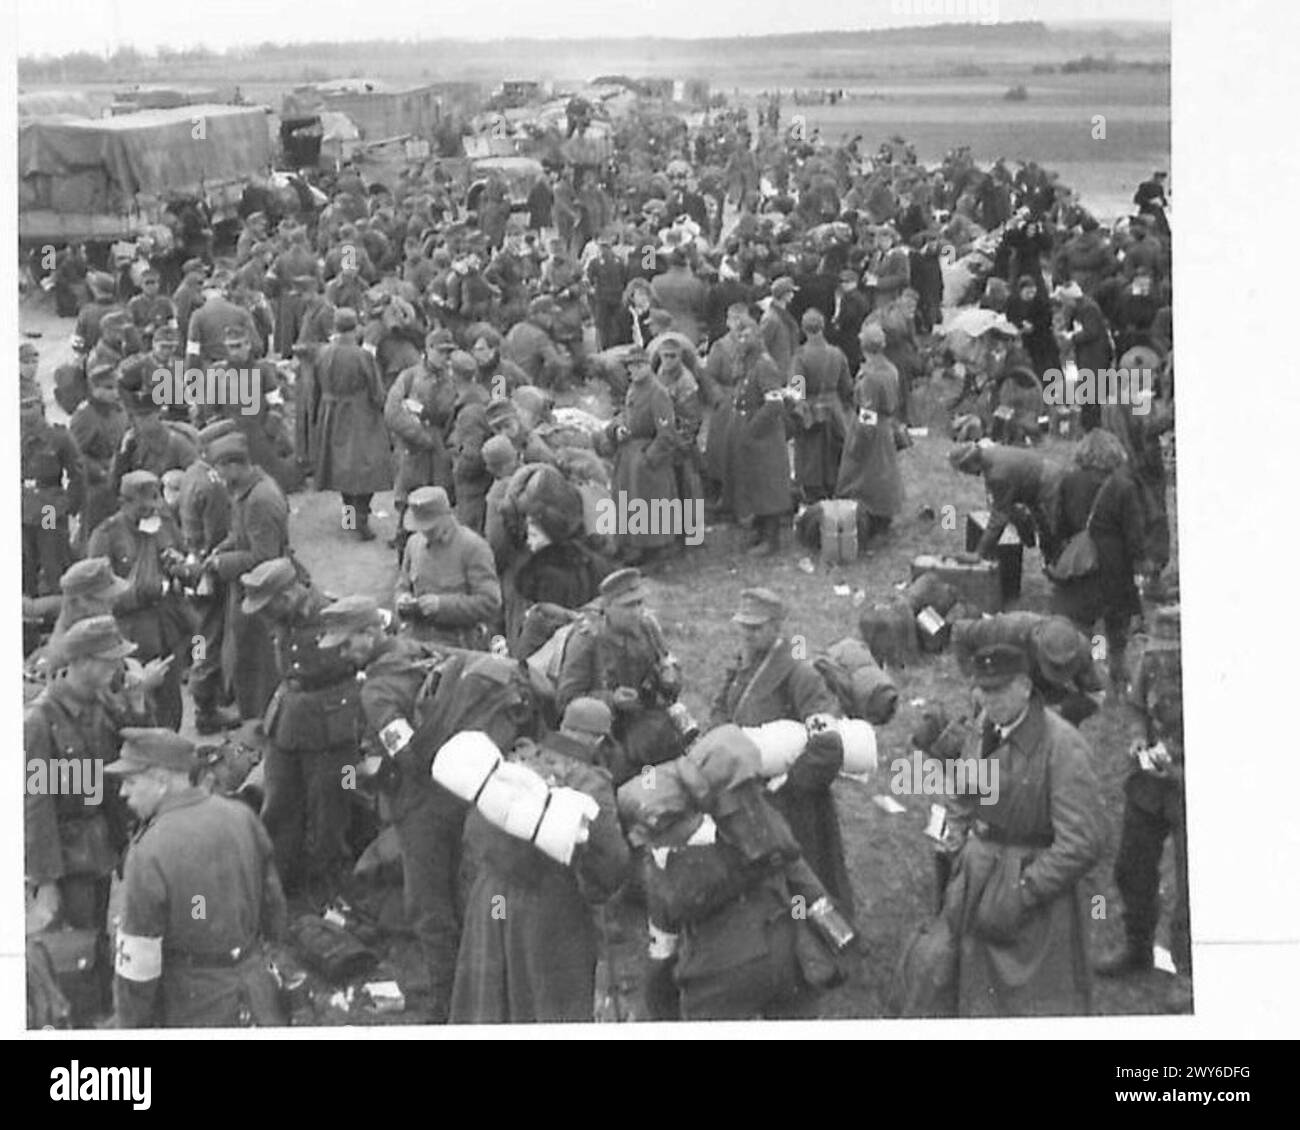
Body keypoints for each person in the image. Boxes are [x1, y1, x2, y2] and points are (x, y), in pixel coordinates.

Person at [937, 644, 1106, 1016]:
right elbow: (967, 786)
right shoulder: (985, 726)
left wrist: (1024, 891)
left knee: (1033, 1003)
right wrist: (956, 832)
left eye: (998, 688)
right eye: (982, 687)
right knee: (977, 993)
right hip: (979, 878)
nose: (988, 698)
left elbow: (1082, 843)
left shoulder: (1063, 745)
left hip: (1035, 900)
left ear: (1025, 687)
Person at [449, 698, 631, 1023]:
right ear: (600, 740)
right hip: (548, 905)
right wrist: (596, 891)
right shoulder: (591, 782)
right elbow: (611, 863)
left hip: (492, 898)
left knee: (490, 994)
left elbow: (473, 829)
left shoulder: (517, 760)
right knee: (549, 1001)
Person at [25, 617, 164, 1021]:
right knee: (78, 945)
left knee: (99, 932)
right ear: (81, 661)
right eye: (108, 661)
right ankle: (82, 1018)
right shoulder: (41, 722)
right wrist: (45, 882)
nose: (115, 670)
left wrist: (139, 705)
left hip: (105, 839)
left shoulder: (102, 701)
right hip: (69, 854)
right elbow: (36, 806)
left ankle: (102, 1005)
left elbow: (136, 753)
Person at [108, 728, 287, 1028]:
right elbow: (274, 905)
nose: (122, 792)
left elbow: (139, 965)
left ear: (162, 782)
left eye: (130, 781)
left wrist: (131, 1024)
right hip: (257, 995)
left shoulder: (148, 850)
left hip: (192, 1003)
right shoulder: (240, 815)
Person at [711, 588, 853, 915]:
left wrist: (788, 787)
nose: (747, 634)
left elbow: (827, 746)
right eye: (743, 626)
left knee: (807, 885)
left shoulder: (800, 675)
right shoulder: (742, 665)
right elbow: (721, 709)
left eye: (756, 627)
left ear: (777, 627)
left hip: (793, 803)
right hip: (748, 790)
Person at [241, 558, 359, 902]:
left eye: (269, 605)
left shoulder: (336, 616)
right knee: (279, 804)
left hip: (331, 727)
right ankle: (280, 883)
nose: (265, 616)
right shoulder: (283, 616)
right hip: (287, 721)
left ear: (290, 593)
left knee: (330, 809)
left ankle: (327, 886)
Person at [1096, 607, 1188, 983]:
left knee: (1194, 886)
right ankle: (1137, 947)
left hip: (1190, 787)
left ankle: (1190, 975)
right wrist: (1138, 737)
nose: (1163, 660)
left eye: (1173, 652)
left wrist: (1182, 772)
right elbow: (1137, 706)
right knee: (1132, 866)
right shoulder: (1151, 661)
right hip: (1151, 780)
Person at [555, 567, 682, 786]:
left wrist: (671, 677)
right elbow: (566, 702)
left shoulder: (647, 627)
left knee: (664, 760)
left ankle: (650, 796)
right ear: (608, 607)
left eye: (640, 603)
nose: (637, 612)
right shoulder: (586, 640)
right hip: (606, 733)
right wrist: (611, 699)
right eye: (628, 606)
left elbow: (668, 664)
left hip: (646, 724)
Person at [87, 471, 190, 730]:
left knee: (170, 699)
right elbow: (97, 594)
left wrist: (178, 567)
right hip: (131, 633)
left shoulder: (164, 523)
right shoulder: (107, 535)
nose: (151, 510)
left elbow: (184, 556)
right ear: (126, 502)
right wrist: (141, 591)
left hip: (168, 626)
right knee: (138, 700)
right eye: (143, 505)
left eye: (155, 502)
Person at [1050, 428, 1148, 690]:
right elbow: (1134, 533)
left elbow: (1059, 525)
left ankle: (1085, 678)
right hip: (1115, 566)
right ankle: (1119, 683)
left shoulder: (1069, 481)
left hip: (1083, 564)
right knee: (1117, 631)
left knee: (1082, 625)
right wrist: (1141, 565)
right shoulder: (1124, 486)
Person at [203, 432, 290, 720]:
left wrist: (220, 563)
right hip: (248, 585)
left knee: (258, 661)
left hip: (263, 590)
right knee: (243, 655)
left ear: (233, 466)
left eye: (218, 468)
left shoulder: (259, 500)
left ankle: (260, 721)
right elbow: (241, 535)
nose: (216, 475)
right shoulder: (245, 491)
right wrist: (222, 547)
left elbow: (264, 556)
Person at [307, 307, 393, 541]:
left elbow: (313, 390)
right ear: (356, 328)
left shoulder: (322, 353)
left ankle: (349, 518)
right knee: (366, 468)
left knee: (341, 471)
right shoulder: (362, 356)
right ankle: (361, 520)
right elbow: (377, 392)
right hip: (359, 415)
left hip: (330, 414)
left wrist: (317, 416)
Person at [951, 612, 1105, 727]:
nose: (1059, 671)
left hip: (1044, 692)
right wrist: (975, 679)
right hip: (1003, 679)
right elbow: (960, 631)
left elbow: (1095, 695)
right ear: (1036, 641)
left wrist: (1062, 711)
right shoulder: (1009, 629)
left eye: (1064, 668)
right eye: (1052, 665)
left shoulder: (1081, 650)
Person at [395, 486, 502, 650]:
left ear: (447, 516)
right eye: (421, 528)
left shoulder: (473, 547)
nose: (425, 533)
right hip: (416, 641)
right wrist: (403, 599)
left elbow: (490, 603)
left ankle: (350, 522)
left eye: (431, 527)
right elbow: (403, 584)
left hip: (458, 644)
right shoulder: (414, 544)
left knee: (352, 505)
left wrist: (441, 605)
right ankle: (350, 525)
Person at [601, 348, 682, 565]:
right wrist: (617, 429)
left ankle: (654, 549)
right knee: (630, 503)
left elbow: (667, 433)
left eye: (639, 366)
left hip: (645, 456)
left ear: (648, 366)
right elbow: (624, 415)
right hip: (628, 454)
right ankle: (635, 544)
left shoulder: (657, 392)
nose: (633, 371)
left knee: (649, 504)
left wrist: (648, 459)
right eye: (630, 367)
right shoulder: (633, 389)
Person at [386, 327, 458, 556]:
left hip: (439, 454)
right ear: (427, 350)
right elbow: (393, 412)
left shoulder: (454, 379)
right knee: (408, 503)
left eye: (449, 353)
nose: (445, 357)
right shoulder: (409, 377)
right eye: (441, 351)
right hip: (412, 451)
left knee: (438, 502)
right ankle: (403, 550)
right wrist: (419, 437)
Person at [836, 323, 903, 543]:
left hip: (871, 430)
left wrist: (857, 442)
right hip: (885, 427)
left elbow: (867, 413)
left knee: (868, 477)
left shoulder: (871, 377)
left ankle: (873, 522)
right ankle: (883, 519)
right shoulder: (891, 369)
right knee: (885, 474)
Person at [731, 318, 792, 556]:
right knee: (755, 484)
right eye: (739, 336)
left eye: (747, 336)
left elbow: (774, 404)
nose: (742, 340)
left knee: (769, 487)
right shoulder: (748, 363)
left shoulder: (764, 365)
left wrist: (751, 430)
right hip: (753, 436)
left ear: (758, 337)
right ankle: (759, 529)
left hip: (765, 436)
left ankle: (771, 538)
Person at [949, 440, 1064, 566]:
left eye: (964, 470)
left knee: (1055, 532)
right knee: (1045, 529)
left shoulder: (997, 475)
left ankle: (1061, 571)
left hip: (1049, 483)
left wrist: (979, 554)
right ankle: (1053, 564)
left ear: (971, 465)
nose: (967, 474)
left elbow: (999, 516)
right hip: (1040, 479)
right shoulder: (991, 454)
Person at [21, 388, 85, 598]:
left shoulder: (58, 437)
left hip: (49, 507)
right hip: (22, 507)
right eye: (21, 407)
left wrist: (68, 506)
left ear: (41, 406)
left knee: (52, 558)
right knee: (25, 562)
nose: (24, 413)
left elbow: (77, 474)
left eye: (29, 406)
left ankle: (58, 605)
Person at [790, 309, 852, 505]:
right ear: (823, 327)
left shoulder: (800, 357)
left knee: (811, 457)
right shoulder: (837, 353)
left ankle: (814, 498)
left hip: (811, 410)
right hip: (834, 407)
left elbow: (796, 390)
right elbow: (847, 387)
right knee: (835, 452)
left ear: (804, 329)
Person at [759, 276, 800, 379]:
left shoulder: (784, 315)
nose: (793, 295)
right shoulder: (771, 319)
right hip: (777, 374)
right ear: (783, 294)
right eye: (790, 292)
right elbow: (762, 346)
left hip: (789, 370)